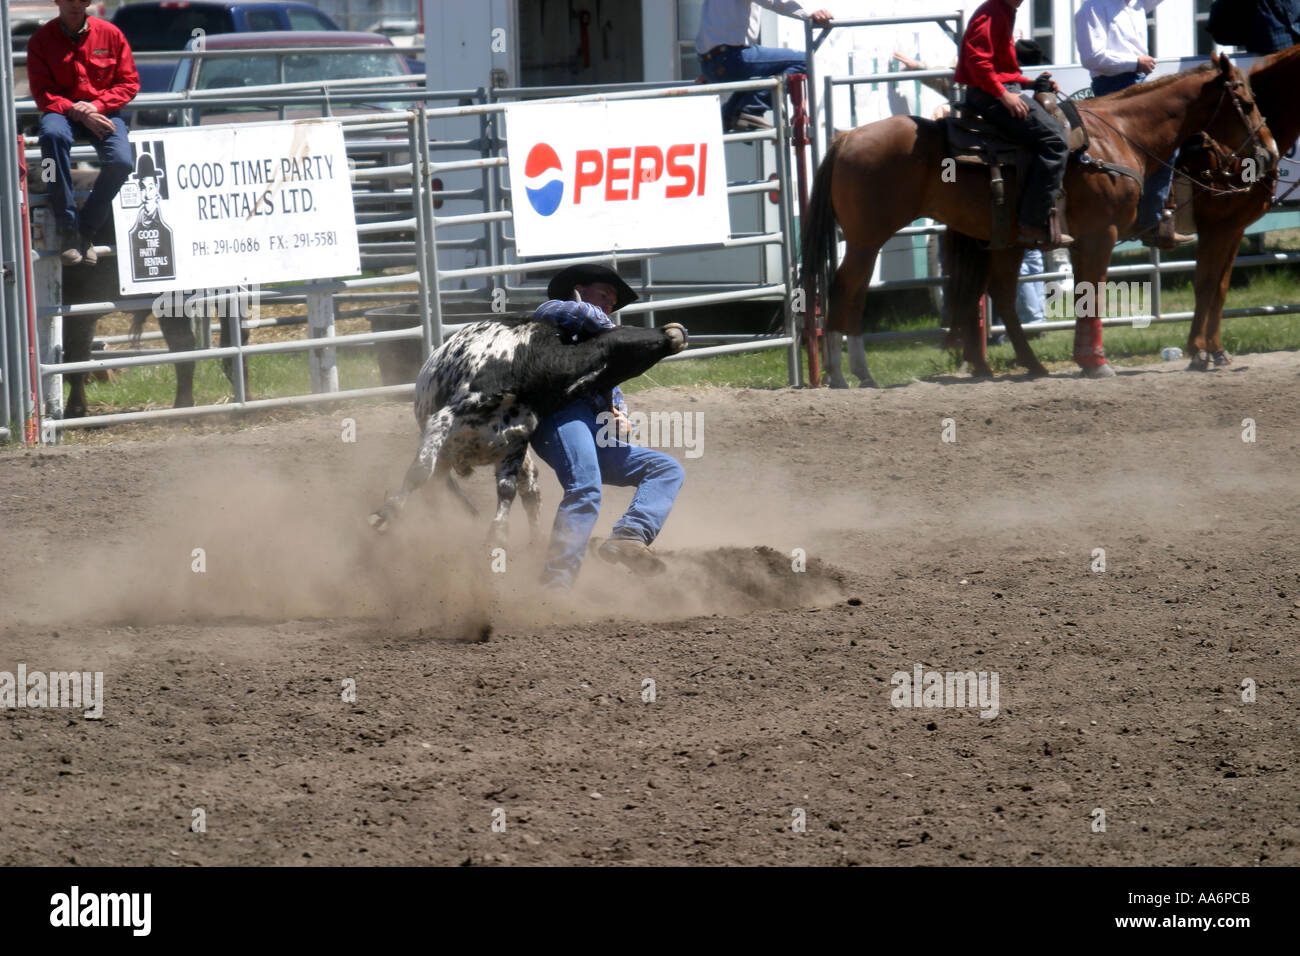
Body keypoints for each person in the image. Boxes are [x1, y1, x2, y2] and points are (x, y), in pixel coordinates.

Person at [529, 265, 685, 592]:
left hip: (592, 426)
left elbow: (616, 397)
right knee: (585, 488)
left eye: (613, 303)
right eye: (604, 295)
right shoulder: (556, 315)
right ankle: (555, 585)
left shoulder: (604, 343)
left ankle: (629, 536)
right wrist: (626, 335)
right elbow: (575, 313)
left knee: (665, 469)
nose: (609, 306)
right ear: (578, 289)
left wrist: (622, 419)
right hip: (559, 414)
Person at [27, 0, 139, 266]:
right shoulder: (41, 40)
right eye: (69, 0)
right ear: (57, 2)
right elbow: (42, 92)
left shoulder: (111, 34)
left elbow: (129, 82)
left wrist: (96, 106)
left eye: (82, 0)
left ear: (88, 2)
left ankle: (84, 230)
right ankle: (68, 225)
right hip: (62, 113)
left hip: (103, 110)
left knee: (122, 162)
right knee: (51, 142)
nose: (76, 5)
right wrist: (80, 112)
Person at [955, 0, 1072, 248]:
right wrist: (1003, 95)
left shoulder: (1003, 11)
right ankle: (1032, 222)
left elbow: (1001, 69)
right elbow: (978, 61)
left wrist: (1031, 84)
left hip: (992, 90)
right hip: (988, 93)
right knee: (1056, 140)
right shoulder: (992, 12)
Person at [1076, 0, 1190, 249]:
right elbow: (1092, 57)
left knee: (1168, 145)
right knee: (1163, 146)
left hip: (1137, 82)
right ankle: (1150, 221)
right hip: (1114, 86)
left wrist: (1137, 66)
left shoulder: (1135, 4)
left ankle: (1150, 219)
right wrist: (1134, 63)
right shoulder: (1092, 8)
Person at [696, 0, 833, 131]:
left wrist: (711, 68)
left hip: (711, 61)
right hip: (731, 56)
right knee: (806, 61)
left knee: (761, 72)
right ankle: (750, 108)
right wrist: (808, 13)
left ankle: (730, 114)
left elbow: (709, 23)